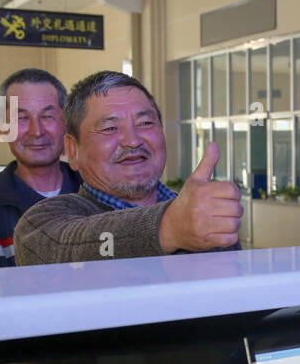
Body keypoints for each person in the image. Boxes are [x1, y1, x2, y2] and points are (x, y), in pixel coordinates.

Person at [14, 71, 242, 265]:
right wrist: (169, 227)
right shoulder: (42, 222)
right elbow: (65, 248)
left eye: (145, 123)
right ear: (72, 150)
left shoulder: (202, 217)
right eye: (110, 128)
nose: (133, 141)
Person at [0, 68, 82, 269]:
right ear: (1, 126)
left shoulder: (96, 190)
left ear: (66, 123)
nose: (36, 131)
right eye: (21, 118)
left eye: (47, 116)